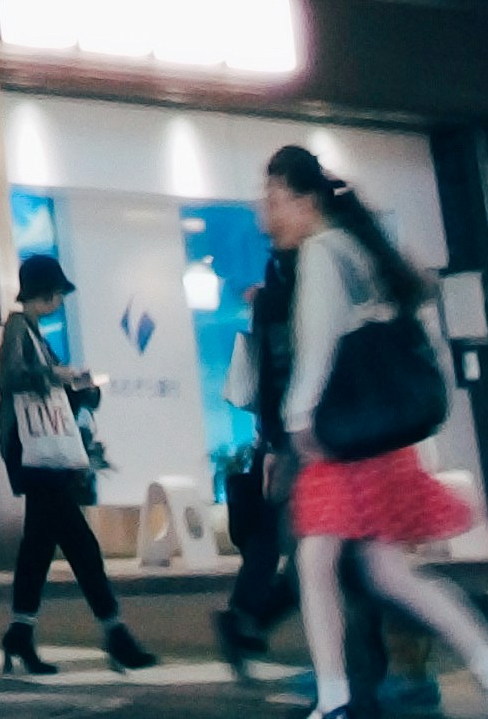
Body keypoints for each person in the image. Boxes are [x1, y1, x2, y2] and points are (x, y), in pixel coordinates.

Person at [262, 144, 488, 719]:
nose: (268, 214)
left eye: (274, 199)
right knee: (383, 571)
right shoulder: (361, 245)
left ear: (303, 199)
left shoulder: (322, 252)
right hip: (380, 438)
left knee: (319, 562)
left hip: (343, 441)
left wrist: (298, 421)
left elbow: (318, 345)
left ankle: (335, 699)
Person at [0, 251, 154, 676]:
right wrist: (59, 376)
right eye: (58, 294)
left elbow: (38, 383)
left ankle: (20, 632)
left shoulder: (33, 333)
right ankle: (115, 634)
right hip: (34, 453)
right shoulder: (18, 327)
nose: (61, 301)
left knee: (38, 547)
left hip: (38, 455)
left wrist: (79, 386)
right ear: (46, 293)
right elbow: (10, 380)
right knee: (80, 545)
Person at [213, 245, 299, 670]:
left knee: (285, 537)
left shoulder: (271, 303)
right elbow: (282, 373)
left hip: (284, 434)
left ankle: (247, 616)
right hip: (301, 436)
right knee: (324, 546)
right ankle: (250, 616)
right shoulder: (291, 304)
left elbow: (270, 376)